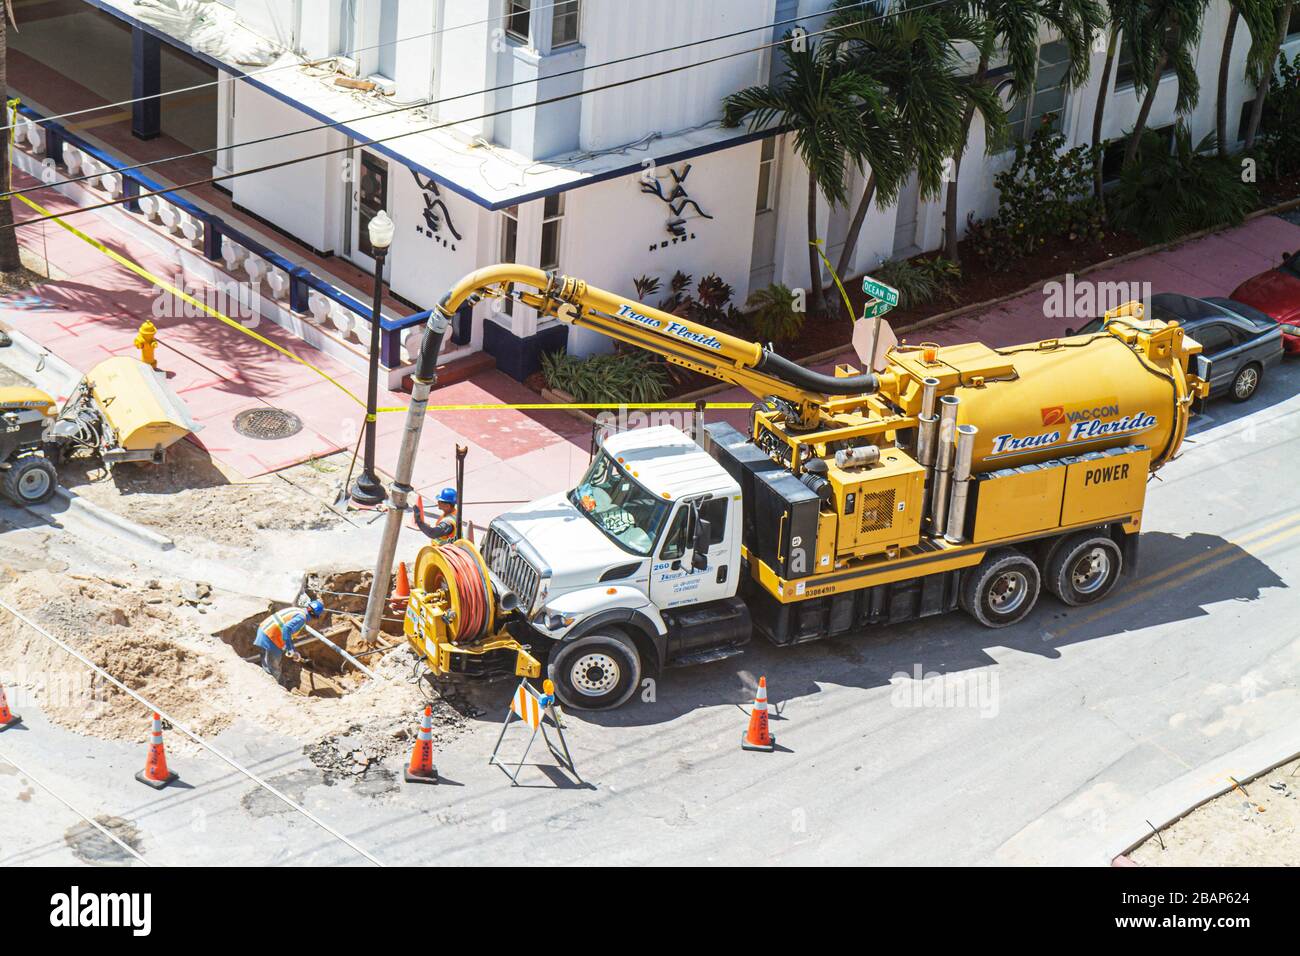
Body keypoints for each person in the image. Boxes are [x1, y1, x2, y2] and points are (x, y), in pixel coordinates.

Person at [254, 600, 324, 686]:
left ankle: (267, 684)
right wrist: (290, 649)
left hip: (265, 631)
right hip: (270, 638)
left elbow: (288, 634)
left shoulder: (297, 610)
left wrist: (294, 651)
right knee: (273, 668)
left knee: (267, 663)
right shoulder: (301, 618)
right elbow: (286, 628)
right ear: (314, 615)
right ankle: (274, 689)